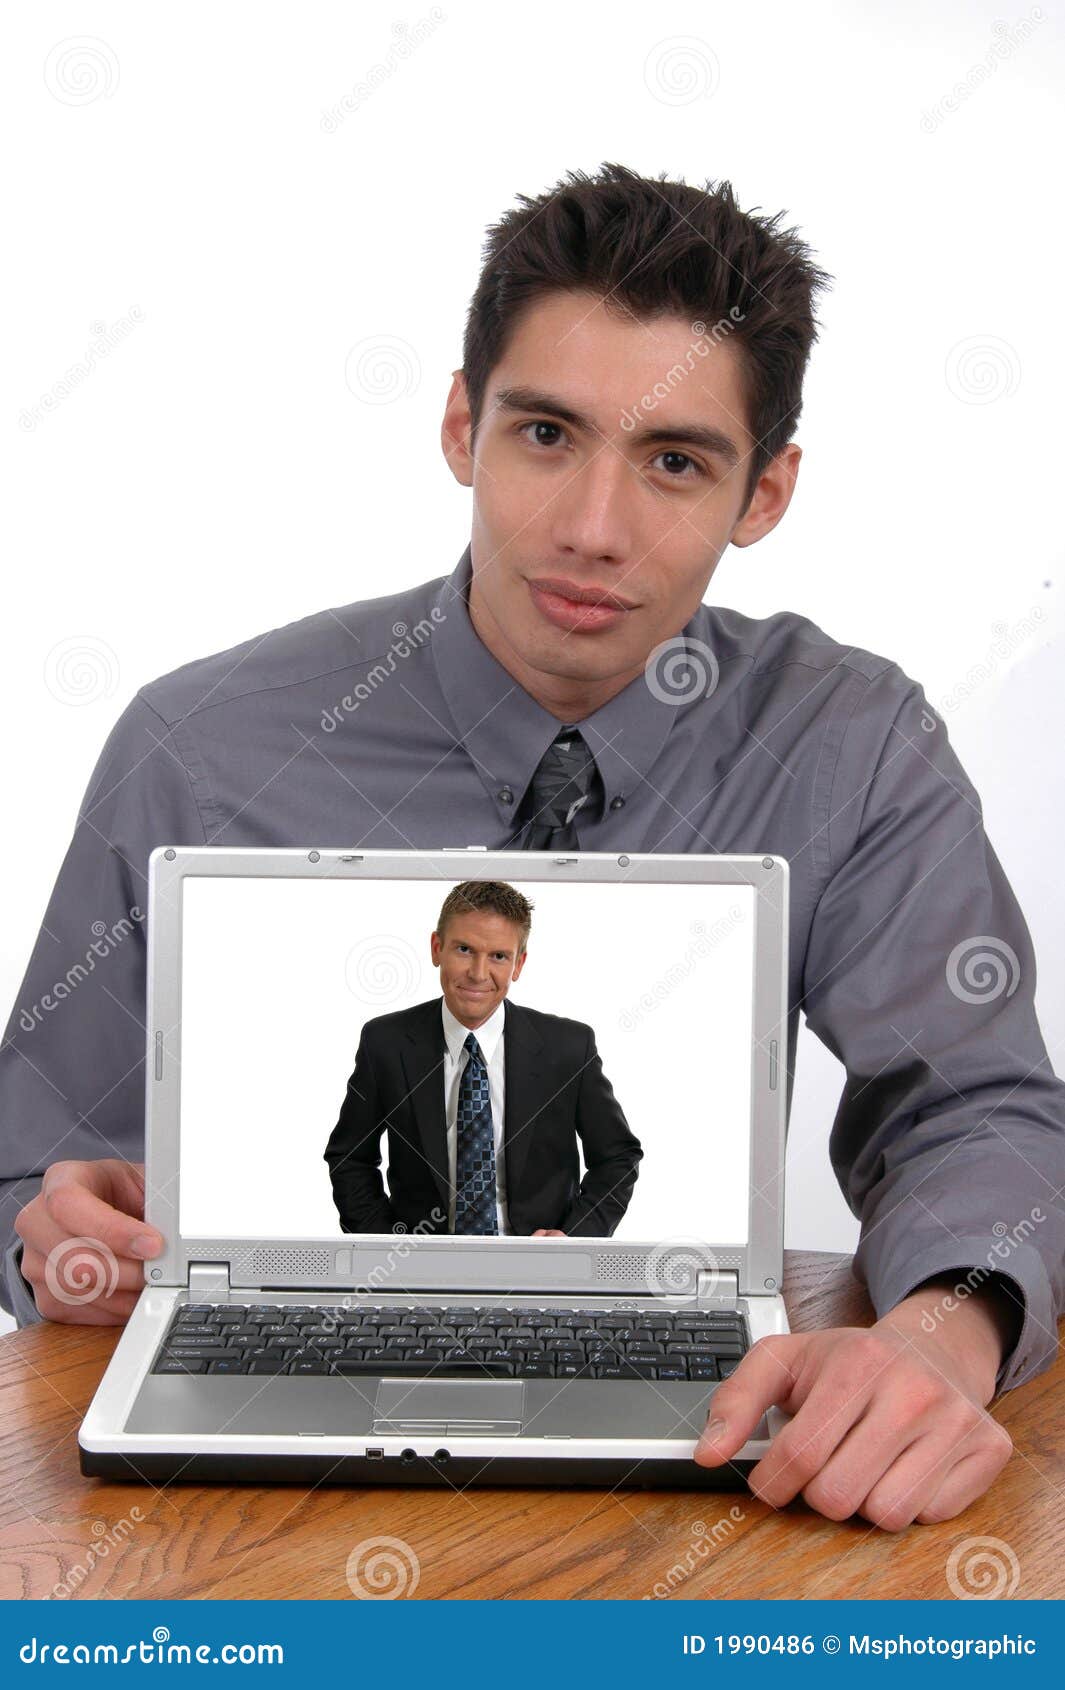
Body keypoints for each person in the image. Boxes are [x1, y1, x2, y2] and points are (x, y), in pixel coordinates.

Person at [3, 162, 1062, 1530]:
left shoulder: (846, 744)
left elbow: (978, 1106)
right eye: (546, 434)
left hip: (702, 1482)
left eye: (675, 461)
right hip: (251, 1491)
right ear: (461, 422)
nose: (590, 530)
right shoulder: (196, 743)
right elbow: (32, 1165)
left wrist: (941, 1332)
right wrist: (63, 1238)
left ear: (767, 492)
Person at [324, 878, 642, 1236]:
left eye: (498, 956)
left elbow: (617, 1157)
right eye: (463, 950)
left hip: (537, 1267)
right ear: (436, 948)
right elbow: (351, 1158)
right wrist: (385, 1246)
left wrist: (573, 1239)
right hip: (421, 1268)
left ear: (518, 964)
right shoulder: (386, 1042)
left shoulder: (569, 1047)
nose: (478, 973)